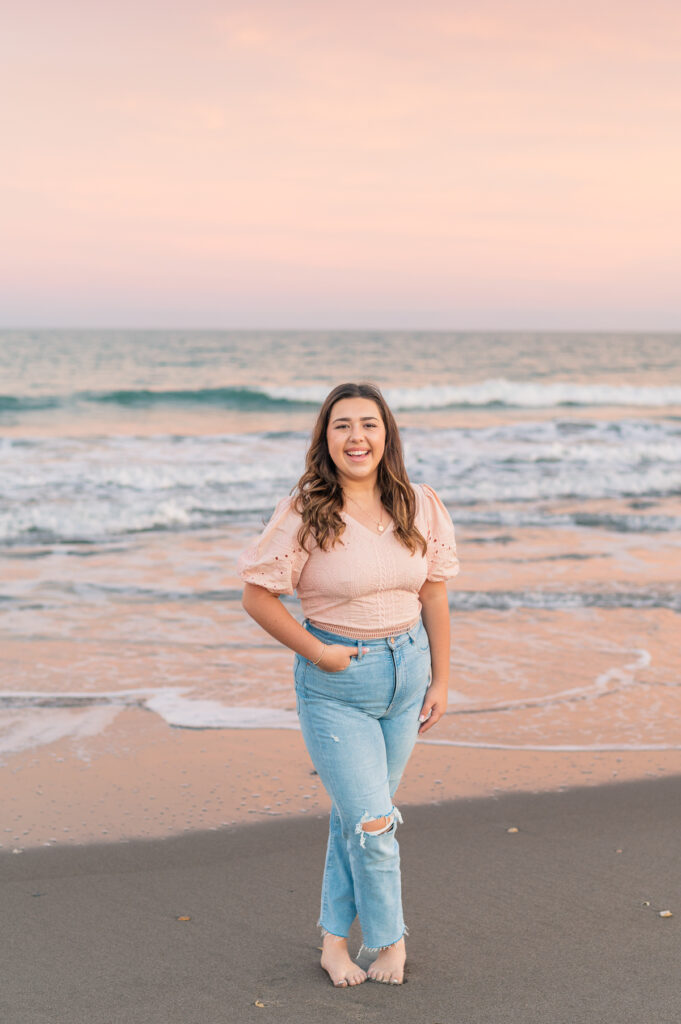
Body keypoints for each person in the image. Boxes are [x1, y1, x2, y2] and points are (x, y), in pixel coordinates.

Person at [237, 381, 459, 987]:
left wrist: (441, 677)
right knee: (371, 823)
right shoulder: (306, 512)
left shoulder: (419, 502)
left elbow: (433, 590)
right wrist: (318, 652)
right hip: (336, 685)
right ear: (325, 438)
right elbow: (258, 596)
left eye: (368, 424)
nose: (355, 437)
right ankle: (391, 943)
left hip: (408, 675)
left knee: (357, 817)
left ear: (386, 434)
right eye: (341, 426)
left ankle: (334, 944)